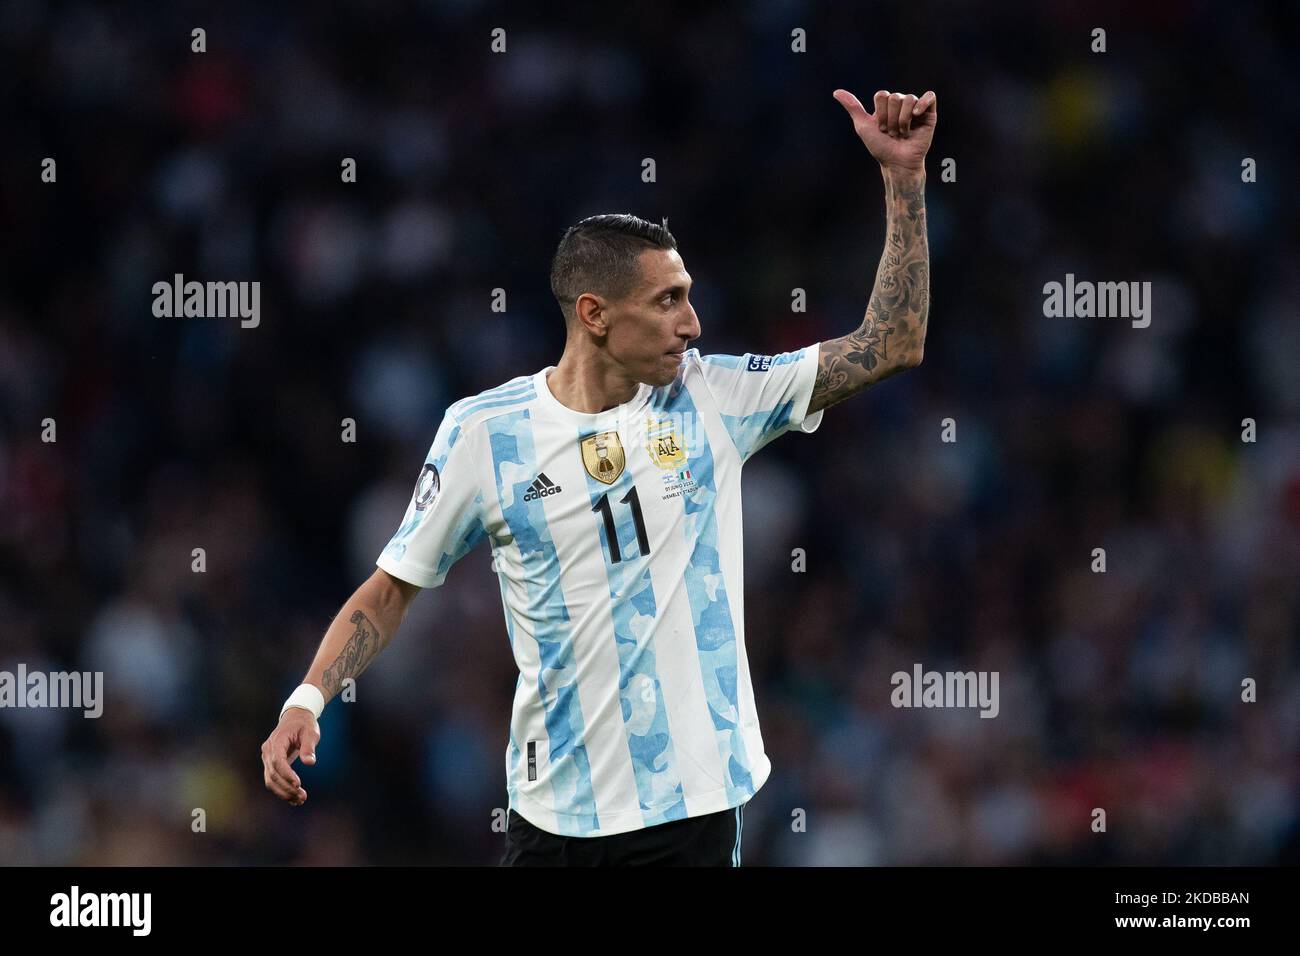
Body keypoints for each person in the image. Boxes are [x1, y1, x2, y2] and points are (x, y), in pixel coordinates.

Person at [261, 87, 937, 866]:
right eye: (670, 301)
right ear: (594, 314)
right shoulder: (487, 433)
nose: (694, 323)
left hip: (695, 807)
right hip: (555, 820)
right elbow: (391, 588)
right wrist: (307, 697)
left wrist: (903, 179)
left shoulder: (716, 396)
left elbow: (892, 343)